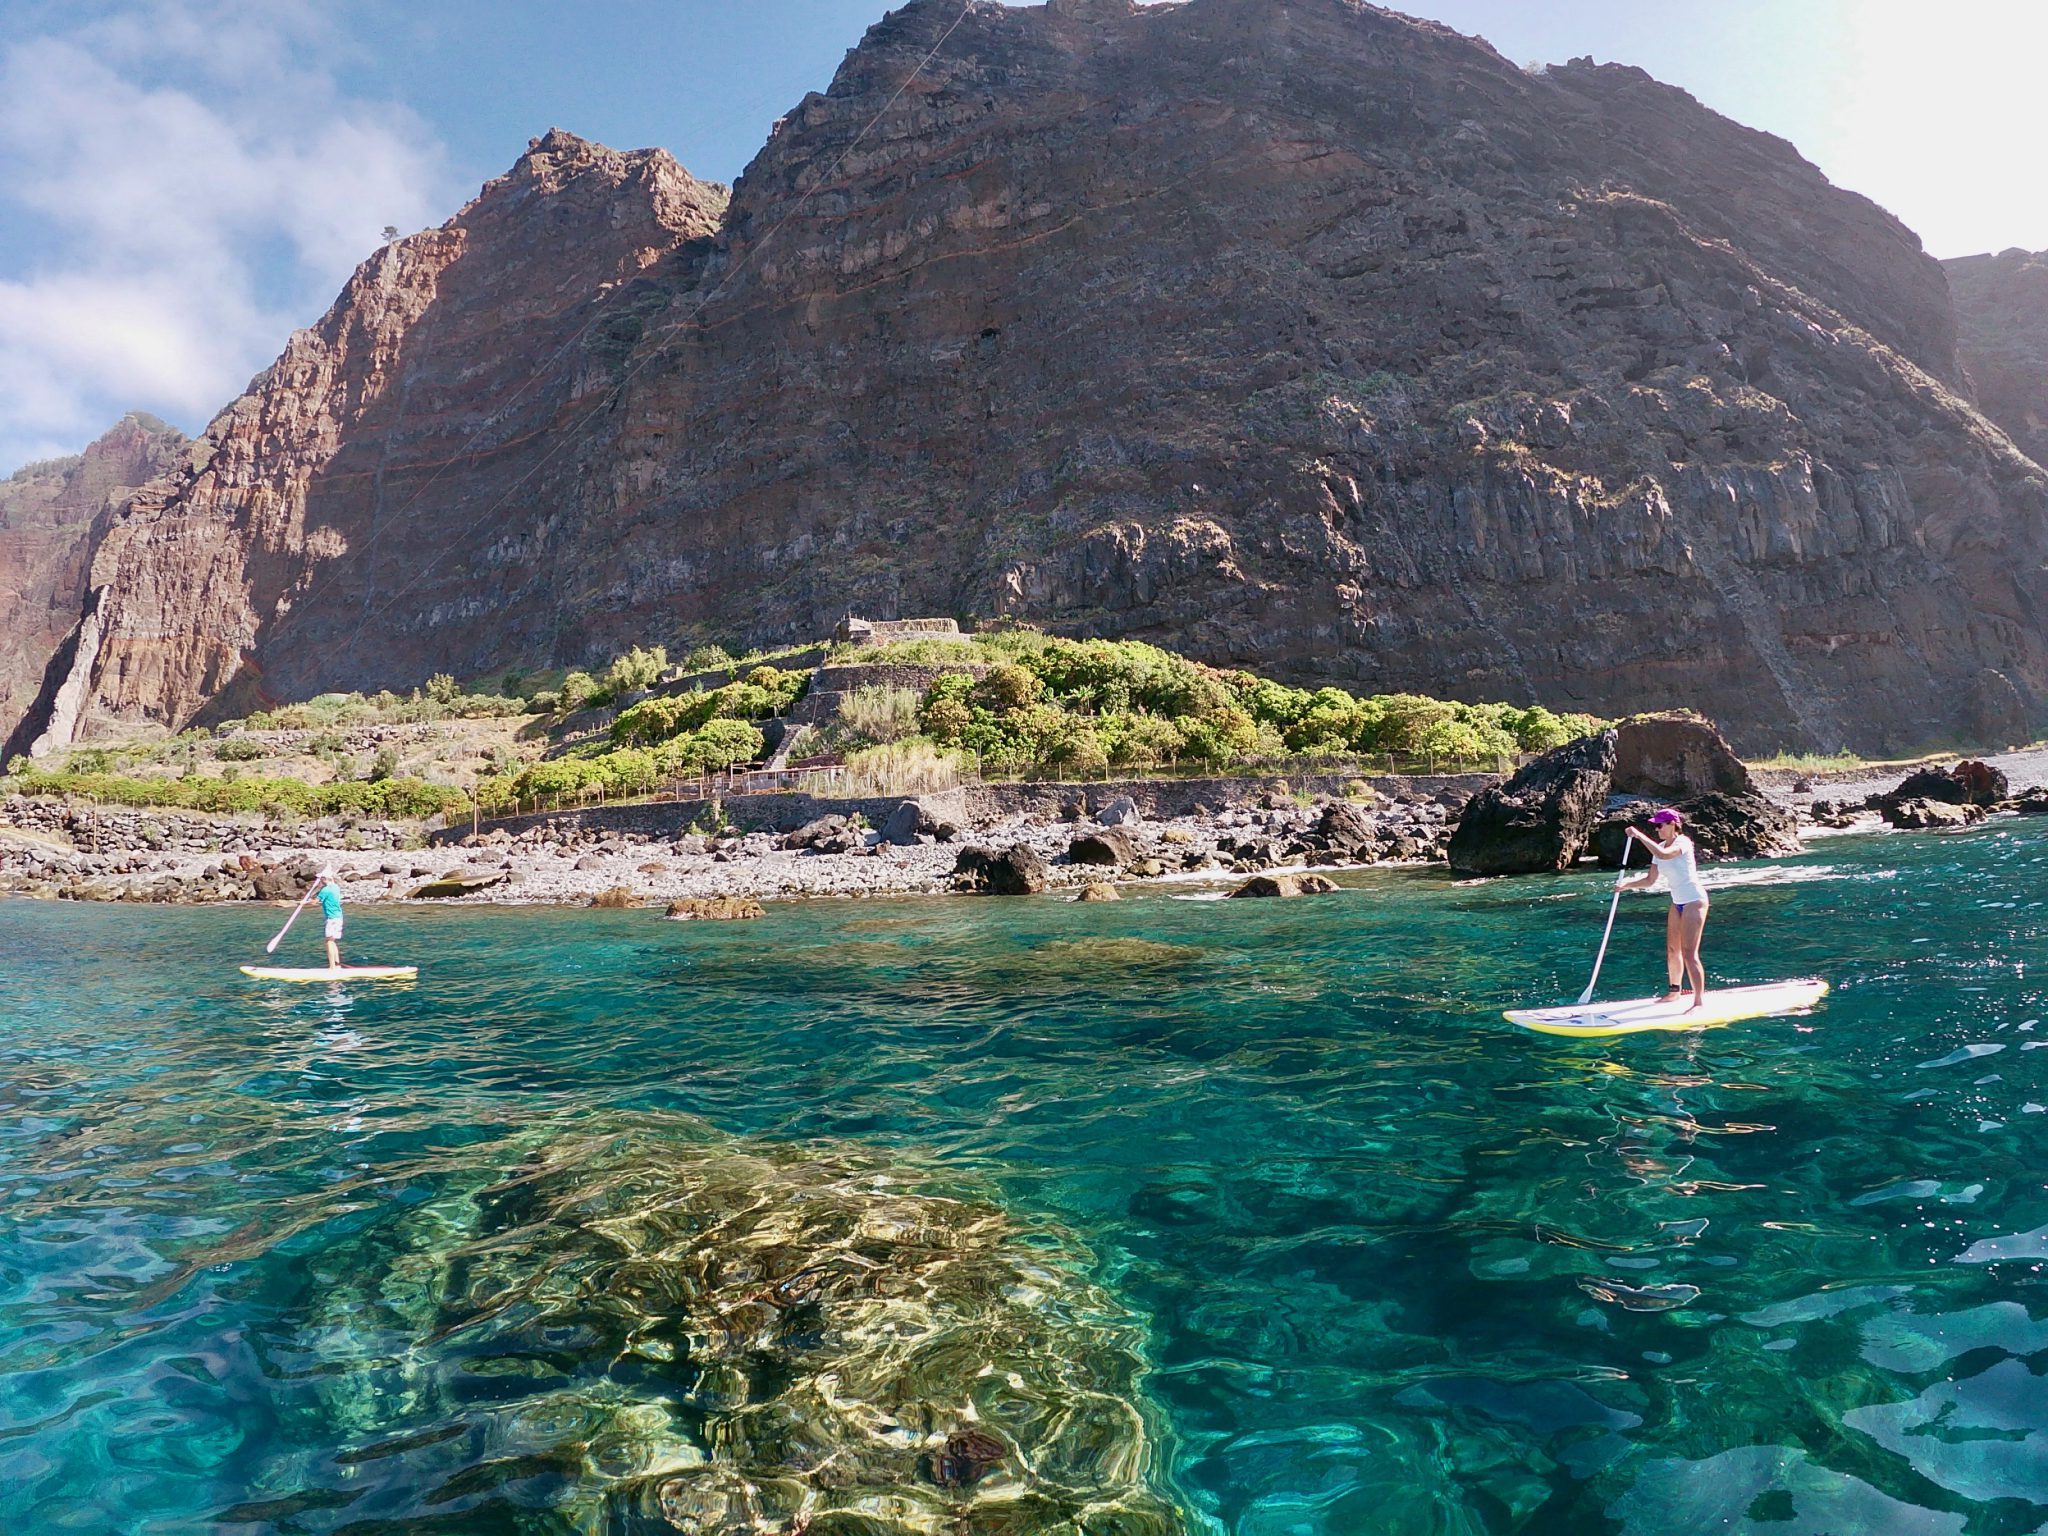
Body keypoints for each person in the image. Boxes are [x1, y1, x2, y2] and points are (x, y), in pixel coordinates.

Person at [1621, 809, 1708, 1010]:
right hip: (1677, 902)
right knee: (1672, 950)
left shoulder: (1683, 843)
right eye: (1655, 826)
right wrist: (1626, 886)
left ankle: (1698, 1003)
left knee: (1689, 953)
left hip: (1694, 901)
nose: (1657, 829)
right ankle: (1674, 992)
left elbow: (1664, 855)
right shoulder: (1659, 846)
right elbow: (1650, 880)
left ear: (1672, 824)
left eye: (1659, 825)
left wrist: (1639, 835)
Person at [313, 867, 345, 971]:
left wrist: (302, 903)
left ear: (325, 878)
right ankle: (337, 965)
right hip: (339, 918)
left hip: (332, 919)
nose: (320, 881)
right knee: (332, 941)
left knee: (329, 942)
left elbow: (315, 902)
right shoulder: (336, 887)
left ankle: (332, 967)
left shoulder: (325, 890)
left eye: (321, 879)